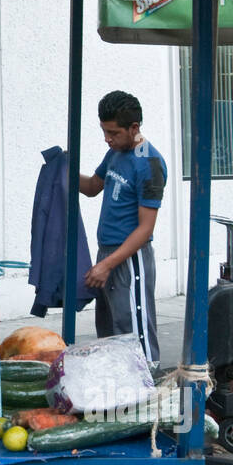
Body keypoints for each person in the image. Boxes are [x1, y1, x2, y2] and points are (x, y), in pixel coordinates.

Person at [78, 91, 168, 364]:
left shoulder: (150, 164)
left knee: (135, 339)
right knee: (109, 337)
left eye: (113, 132)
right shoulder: (115, 152)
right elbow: (93, 187)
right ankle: (117, 398)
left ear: (134, 128)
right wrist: (64, 171)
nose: (107, 138)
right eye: (104, 131)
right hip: (106, 252)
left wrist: (108, 265)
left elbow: (145, 228)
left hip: (131, 260)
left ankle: (148, 394)